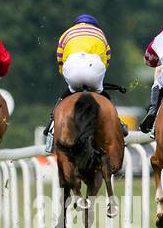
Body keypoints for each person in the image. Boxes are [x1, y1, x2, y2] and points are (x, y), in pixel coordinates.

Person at [43, 14, 114, 152]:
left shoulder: (66, 34)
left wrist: (68, 77)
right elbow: (106, 61)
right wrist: (97, 80)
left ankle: (51, 128)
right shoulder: (100, 34)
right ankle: (119, 124)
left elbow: (60, 61)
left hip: (72, 68)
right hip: (94, 68)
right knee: (104, 97)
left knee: (66, 95)